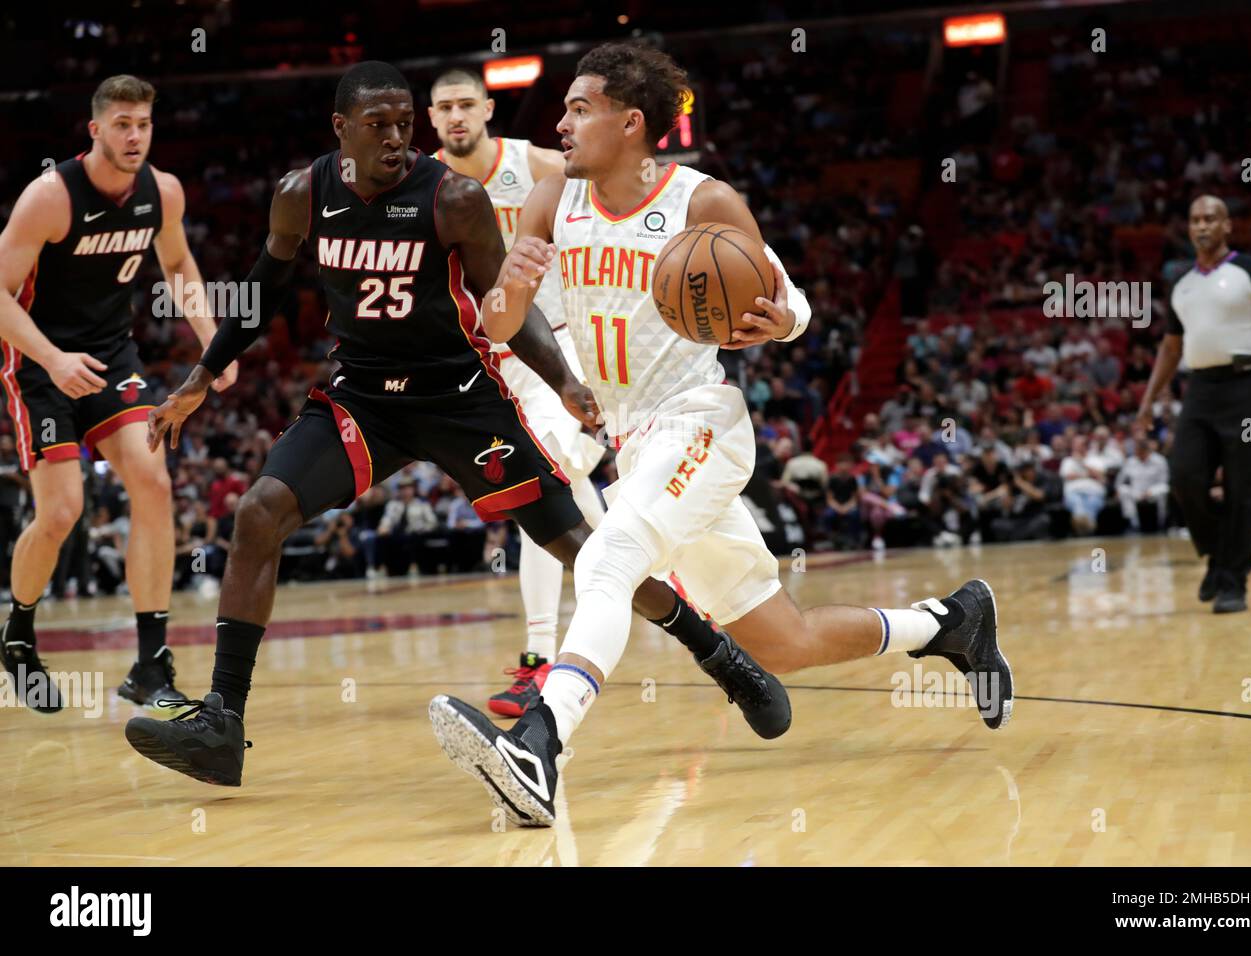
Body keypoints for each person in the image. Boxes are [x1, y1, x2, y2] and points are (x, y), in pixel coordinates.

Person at [123, 61, 786, 788]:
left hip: (461, 397)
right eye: (379, 126)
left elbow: (507, 299)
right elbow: (263, 288)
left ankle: (710, 647)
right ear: (340, 130)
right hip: (365, 400)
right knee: (259, 512)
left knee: (578, 546)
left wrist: (564, 381)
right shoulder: (302, 193)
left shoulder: (454, 199)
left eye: (406, 123)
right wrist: (196, 378)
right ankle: (223, 720)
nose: (398, 139)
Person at [428, 43, 1013, 827]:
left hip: (698, 422)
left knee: (606, 556)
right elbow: (499, 326)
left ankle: (539, 745)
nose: (560, 122)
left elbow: (785, 295)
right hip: (638, 446)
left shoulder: (703, 201)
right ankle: (949, 623)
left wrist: (784, 320)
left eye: (579, 107)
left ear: (630, 123)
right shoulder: (550, 201)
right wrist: (513, 278)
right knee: (783, 641)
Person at [0, 74, 236, 711]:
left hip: (111, 359)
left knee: (154, 481)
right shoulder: (50, 197)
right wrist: (50, 358)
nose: (135, 136)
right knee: (60, 512)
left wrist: (214, 346)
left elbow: (180, 265)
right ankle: (17, 636)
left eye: (144, 124)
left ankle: (150, 663)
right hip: (39, 361)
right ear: (95, 129)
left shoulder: (163, 192)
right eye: (123, 124)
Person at [428, 68, 607, 715]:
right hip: (479, 360)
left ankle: (540, 660)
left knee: (547, 480)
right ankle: (647, 582)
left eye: (465, 104)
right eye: (444, 106)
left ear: (486, 108)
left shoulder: (530, 162)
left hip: (549, 345)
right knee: (555, 494)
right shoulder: (427, 186)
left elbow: (601, 208)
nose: (455, 116)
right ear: (431, 117)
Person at [1137, 195, 1251, 611]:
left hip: (1248, 386)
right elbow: (1171, 349)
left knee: (1242, 489)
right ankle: (1215, 553)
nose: (1202, 226)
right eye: (1195, 220)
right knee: (1184, 476)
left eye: (1211, 218)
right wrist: (1148, 398)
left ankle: (1233, 582)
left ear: (1227, 225)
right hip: (1201, 389)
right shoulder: (1183, 285)